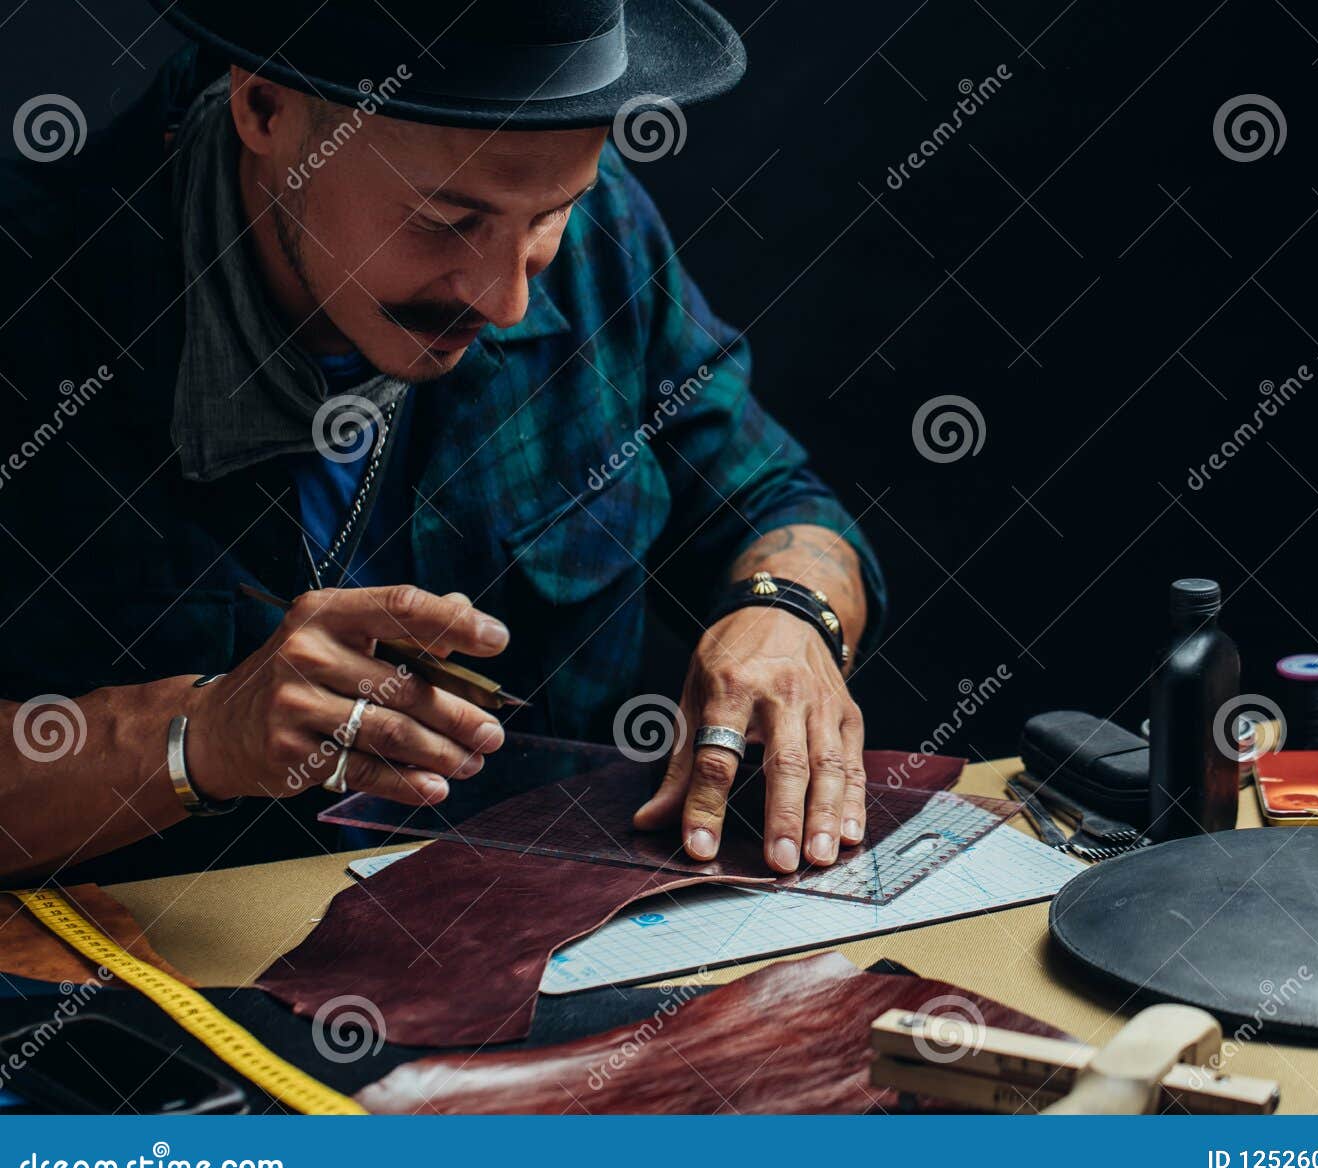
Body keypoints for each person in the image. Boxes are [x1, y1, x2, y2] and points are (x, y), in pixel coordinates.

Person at [0, 0, 885, 883]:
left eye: (548, 217)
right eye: (443, 221)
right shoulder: (36, 304)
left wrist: (790, 613)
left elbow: (775, 502)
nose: (506, 301)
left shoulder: (600, 232)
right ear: (265, 109)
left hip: (548, 940)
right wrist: (198, 738)